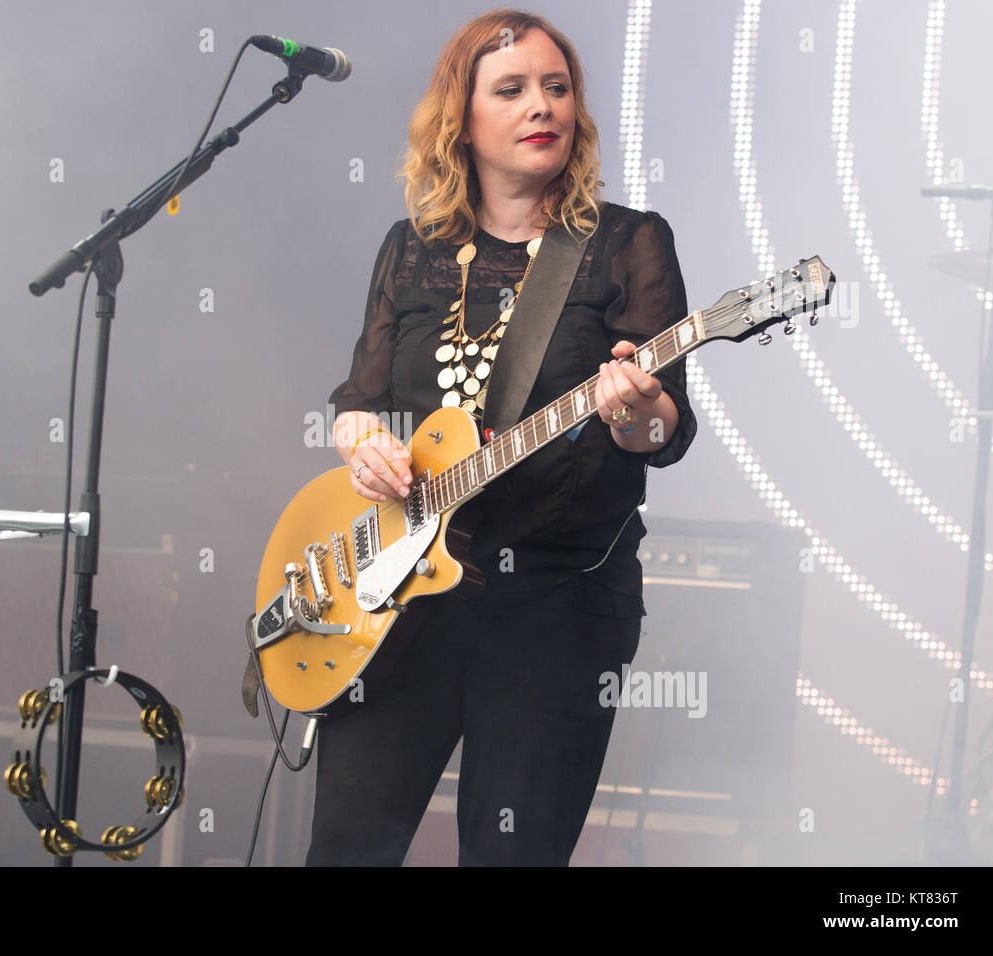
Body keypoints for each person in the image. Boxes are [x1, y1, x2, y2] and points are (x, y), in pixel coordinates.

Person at [310, 9, 697, 866]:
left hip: (556, 612)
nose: (541, 105)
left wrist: (632, 411)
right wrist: (362, 443)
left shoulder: (628, 244)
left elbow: (667, 428)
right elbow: (357, 399)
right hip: (403, 602)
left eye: (557, 88)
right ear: (462, 119)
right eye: (513, 89)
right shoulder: (411, 251)